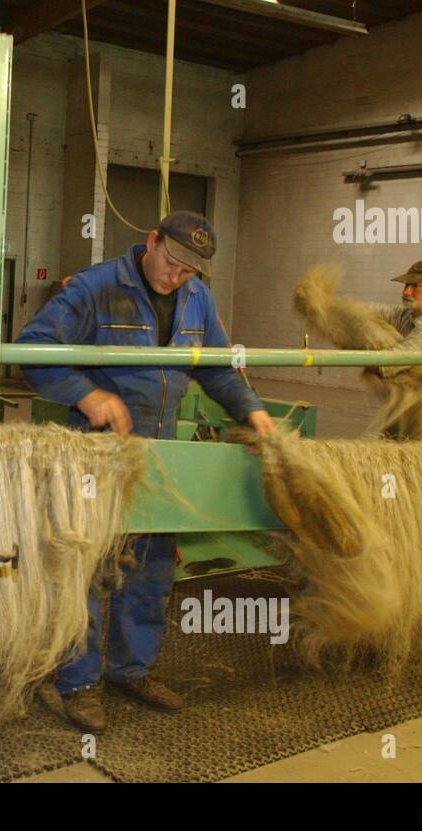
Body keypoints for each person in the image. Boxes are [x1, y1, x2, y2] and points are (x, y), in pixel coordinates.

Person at [16, 210, 276, 732]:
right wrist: (87, 395)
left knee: (152, 563)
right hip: (97, 452)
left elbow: (217, 366)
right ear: (151, 240)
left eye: (189, 271)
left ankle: (130, 670)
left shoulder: (197, 299)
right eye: (172, 261)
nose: (176, 276)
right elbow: (32, 349)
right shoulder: (96, 287)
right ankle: (77, 682)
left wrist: (251, 409)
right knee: (84, 566)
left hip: (159, 453)